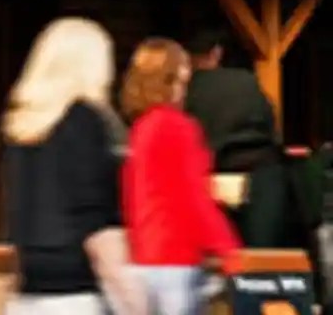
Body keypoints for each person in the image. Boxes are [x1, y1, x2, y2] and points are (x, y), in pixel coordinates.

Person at [3, 18, 146, 315]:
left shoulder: (22, 130)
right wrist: (135, 301)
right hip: (75, 294)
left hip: (26, 294)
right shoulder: (85, 122)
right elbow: (96, 225)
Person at [120, 37, 241, 314]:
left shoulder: (141, 129)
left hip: (141, 259)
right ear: (172, 79)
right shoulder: (179, 128)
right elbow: (193, 197)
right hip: (175, 260)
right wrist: (226, 248)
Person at [182, 27, 286, 247]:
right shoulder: (246, 81)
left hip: (207, 179)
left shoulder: (182, 92)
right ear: (217, 53)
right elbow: (271, 127)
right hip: (257, 176)